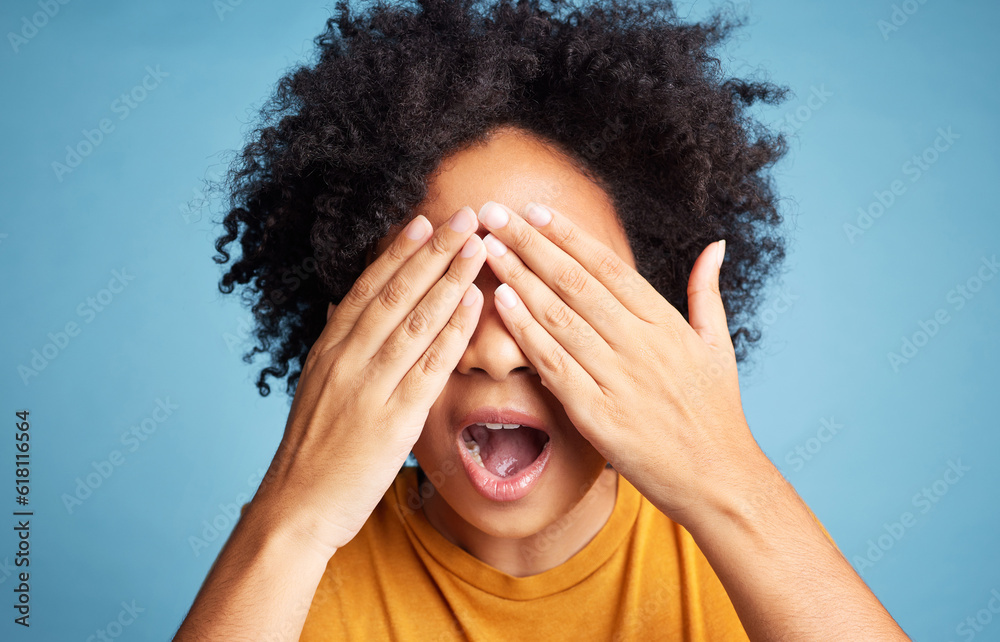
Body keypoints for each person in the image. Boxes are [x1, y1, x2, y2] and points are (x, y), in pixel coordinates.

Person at [175, 0, 910, 639]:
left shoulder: (748, 574)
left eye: (560, 291)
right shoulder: (291, 584)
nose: (497, 353)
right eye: (443, 287)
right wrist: (289, 521)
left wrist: (733, 485)